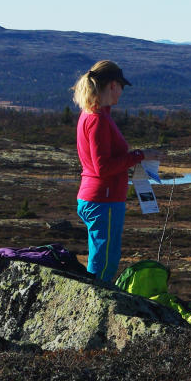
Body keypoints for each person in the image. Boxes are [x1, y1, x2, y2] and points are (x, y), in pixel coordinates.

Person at [72, 60, 161, 284]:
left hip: (99, 198)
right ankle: (93, 305)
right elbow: (103, 168)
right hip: (104, 200)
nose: (122, 92)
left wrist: (136, 157)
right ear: (113, 85)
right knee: (104, 263)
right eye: (121, 87)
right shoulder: (98, 120)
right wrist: (140, 156)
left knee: (102, 257)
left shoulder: (94, 115)